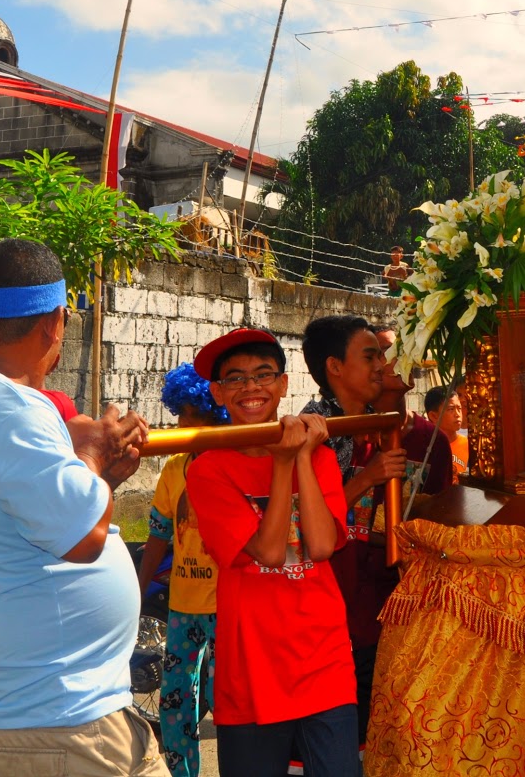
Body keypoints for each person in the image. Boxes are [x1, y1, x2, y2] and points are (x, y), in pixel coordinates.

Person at [0, 238, 165, 776]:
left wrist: (96, 471)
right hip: (51, 726)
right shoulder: (5, 408)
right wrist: (97, 455)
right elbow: (82, 538)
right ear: (56, 321)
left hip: (39, 715)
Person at [185, 328, 358, 777]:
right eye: (236, 379)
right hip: (253, 668)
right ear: (219, 392)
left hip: (324, 659)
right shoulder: (209, 469)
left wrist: (300, 456)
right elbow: (269, 552)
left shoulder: (316, 458)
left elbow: (320, 546)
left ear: (283, 384)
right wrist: (284, 462)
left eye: (263, 375)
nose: (252, 388)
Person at [301, 315, 404, 751]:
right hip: (321, 601)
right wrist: (368, 479)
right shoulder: (314, 430)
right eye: (370, 356)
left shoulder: (369, 423)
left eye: (382, 355)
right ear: (335, 368)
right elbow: (302, 525)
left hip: (362, 600)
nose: (382, 365)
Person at [138, 362, 224, 777]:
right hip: (183, 603)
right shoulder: (174, 468)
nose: (181, 422)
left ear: (213, 412)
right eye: (179, 412)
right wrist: (138, 590)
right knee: (175, 702)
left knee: (223, 699)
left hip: (227, 604)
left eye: (190, 413)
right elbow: (158, 535)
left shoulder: (233, 462)